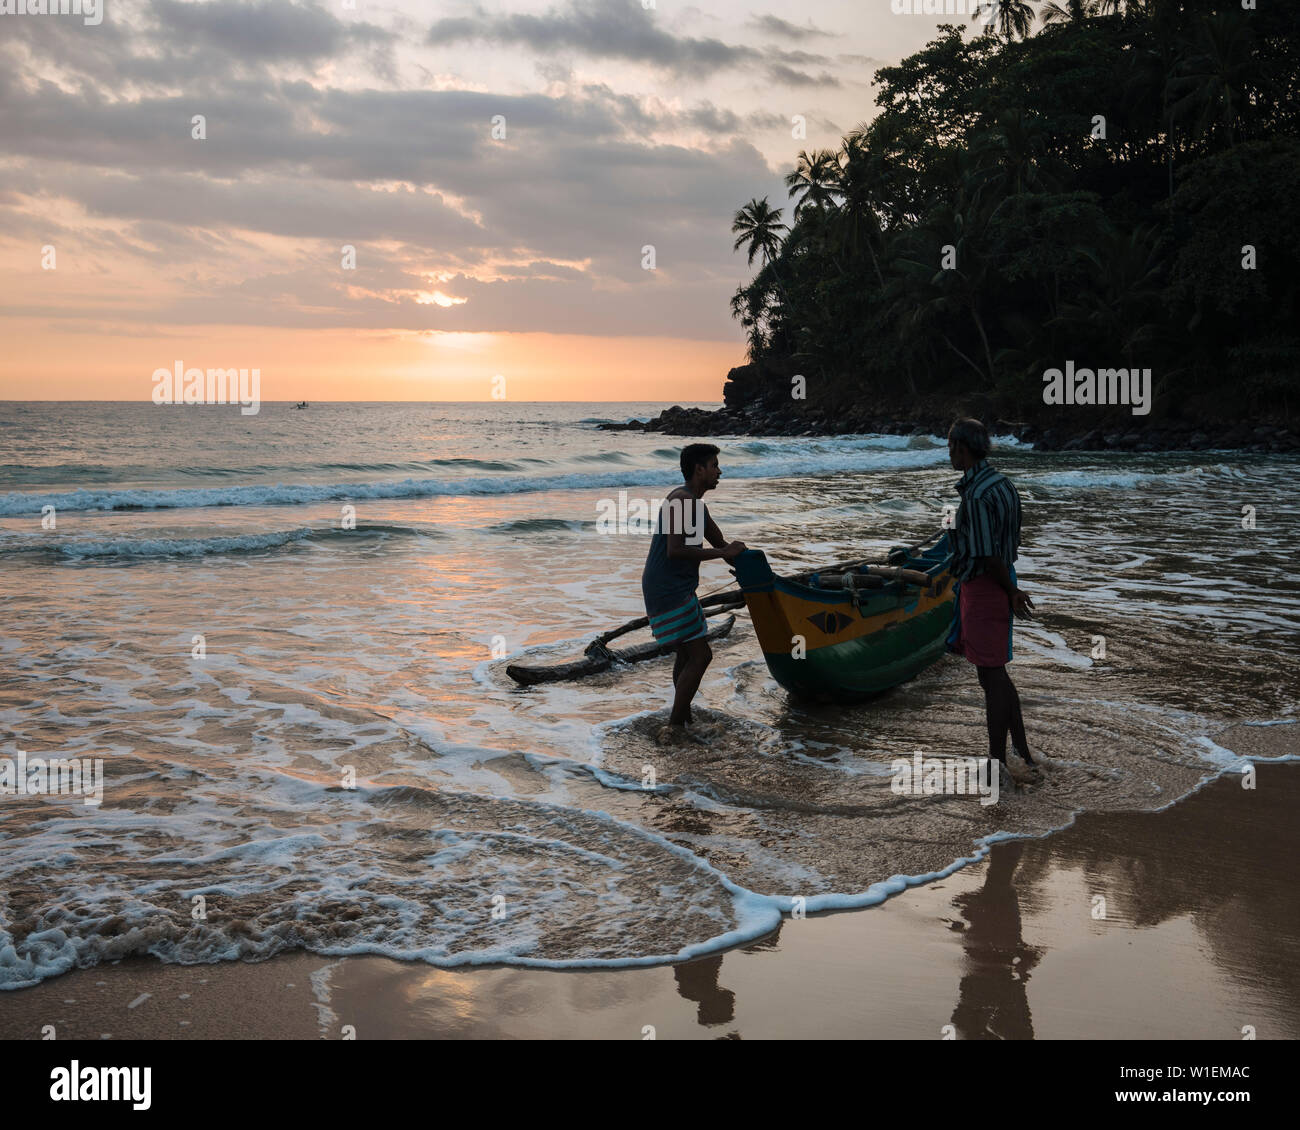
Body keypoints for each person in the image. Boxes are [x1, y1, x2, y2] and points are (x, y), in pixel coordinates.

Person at [945, 418, 1041, 785]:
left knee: (990, 675)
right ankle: (1023, 754)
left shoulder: (977, 495)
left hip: (986, 586)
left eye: (951, 446)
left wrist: (1009, 592)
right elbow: (1007, 542)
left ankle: (997, 763)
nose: (949, 453)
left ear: (962, 448)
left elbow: (986, 555)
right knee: (998, 674)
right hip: (1002, 581)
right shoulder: (1002, 485)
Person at [641, 444, 746, 744]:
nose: (719, 471)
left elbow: (723, 545)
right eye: (714, 465)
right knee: (702, 655)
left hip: (675, 587)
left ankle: (683, 719)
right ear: (698, 469)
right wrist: (724, 551)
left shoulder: (695, 505)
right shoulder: (682, 501)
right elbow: (675, 550)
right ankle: (674, 726)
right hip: (667, 588)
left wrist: (748, 567)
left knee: (687, 655)